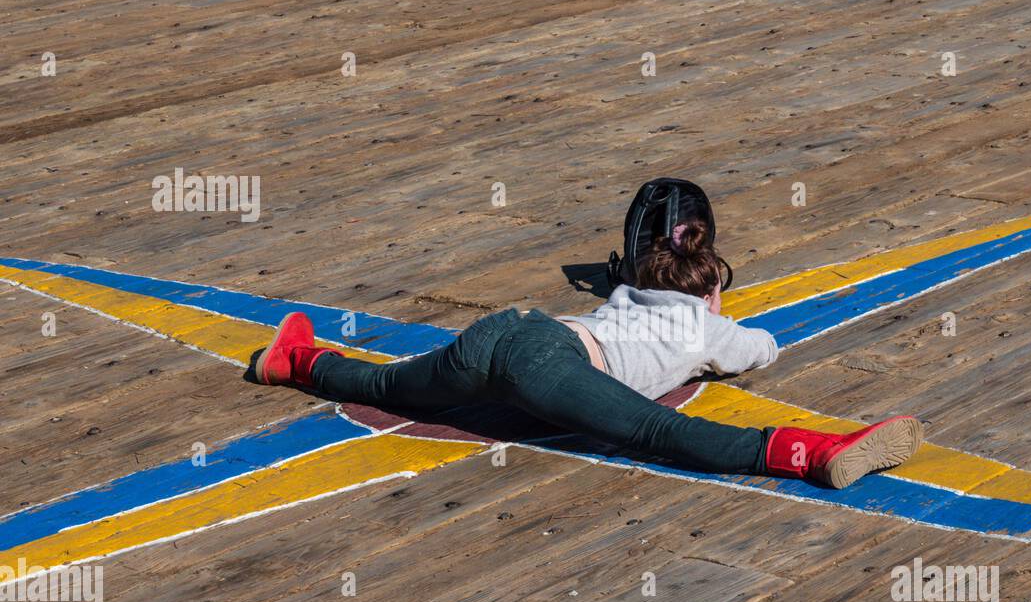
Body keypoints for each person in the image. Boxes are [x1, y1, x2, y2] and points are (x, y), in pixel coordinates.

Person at [253, 222, 922, 487]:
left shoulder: (629, 295)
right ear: (712, 294)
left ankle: (294, 361)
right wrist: (721, 329)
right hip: (549, 367)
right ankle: (812, 452)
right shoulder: (709, 331)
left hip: (510, 332)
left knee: (393, 386)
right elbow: (764, 349)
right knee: (662, 430)